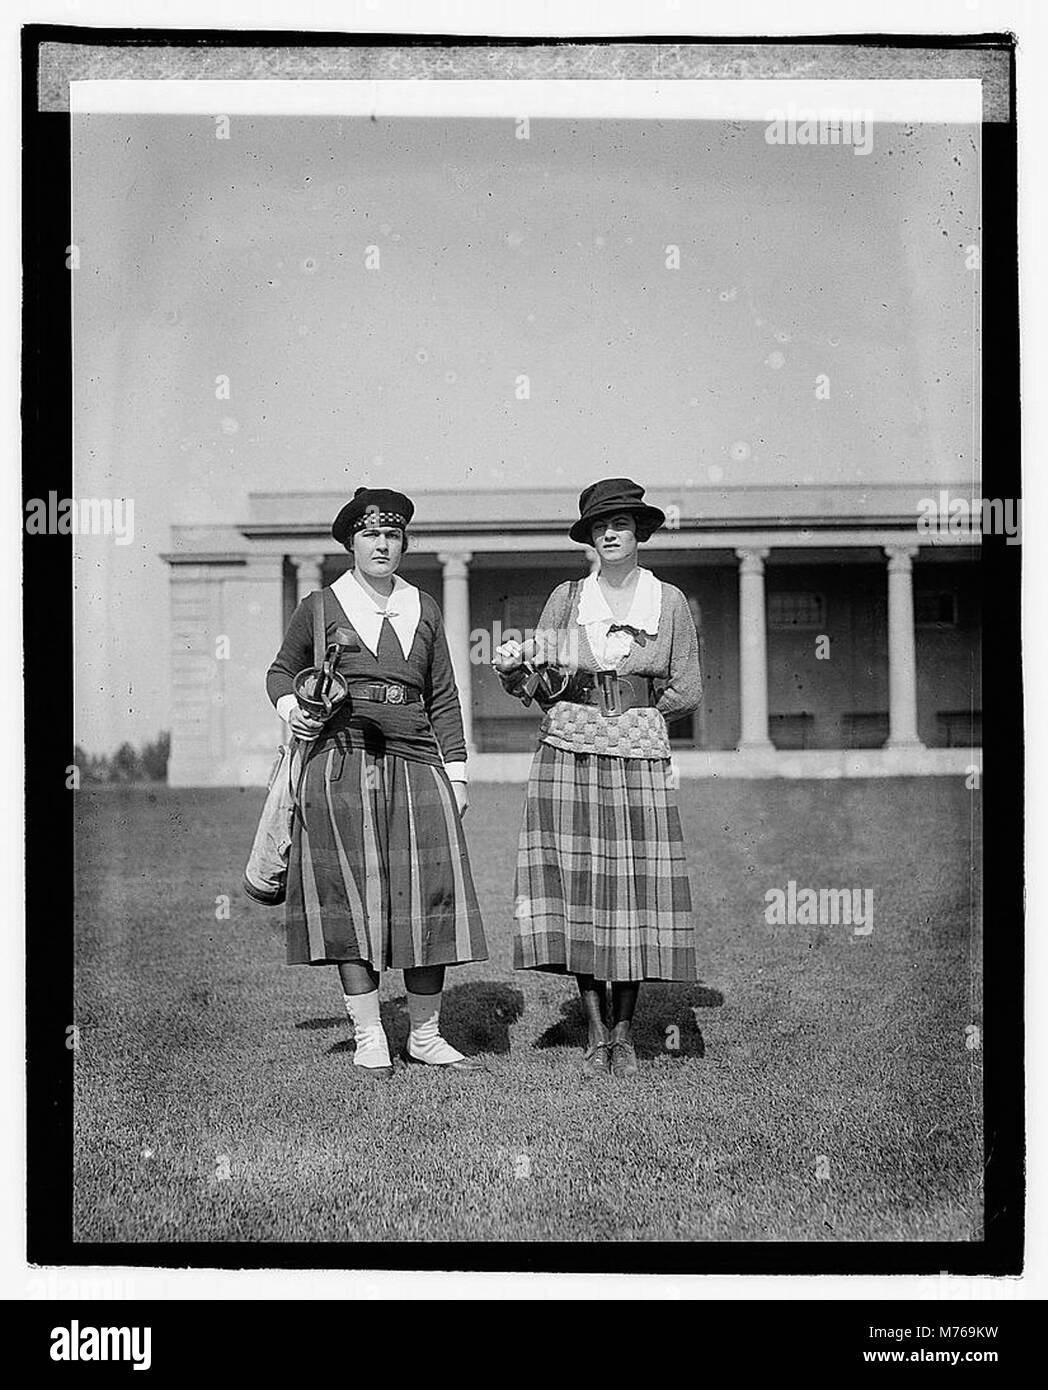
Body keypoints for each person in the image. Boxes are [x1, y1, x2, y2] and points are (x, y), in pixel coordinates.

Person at [266, 487, 488, 1078]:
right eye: (371, 535)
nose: (382, 545)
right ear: (350, 544)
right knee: (350, 899)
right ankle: (369, 1036)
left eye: (392, 536)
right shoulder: (319, 606)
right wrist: (296, 710)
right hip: (339, 762)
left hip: (418, 761)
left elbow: (442, 694)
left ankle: (425, 1035)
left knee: (428, 894)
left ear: (403, 544)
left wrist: (457, 772)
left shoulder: (427, 607)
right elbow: (280, 672)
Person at [493, 478, 702, 1078]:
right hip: (569, 749)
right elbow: (540, 681)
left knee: (634, 886)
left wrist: (639, 716)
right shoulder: (566, 598)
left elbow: (686, 687)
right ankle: (592, 1032)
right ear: (588, 537)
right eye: (599, 527)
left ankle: (625, 1033)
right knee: (579, 882)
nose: (610, 534)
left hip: (636, 750)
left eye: (622, 525)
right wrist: (514, 671)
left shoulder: (670, 603)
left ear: (640, 534)